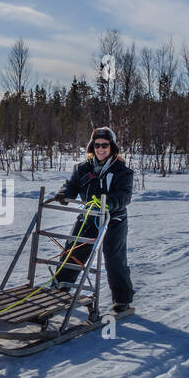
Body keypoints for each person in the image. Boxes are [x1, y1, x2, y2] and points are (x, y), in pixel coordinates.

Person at [50, 126, 134, 314]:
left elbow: (124, 196)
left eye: (105, 145)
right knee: (74, 249)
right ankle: (62, 286)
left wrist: (108, 203)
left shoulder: (122, 171)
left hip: (114, 219)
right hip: (89, 216)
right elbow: (71, 185)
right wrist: (64, 194)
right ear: (92, 147)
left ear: (112, 147)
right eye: (97, 145)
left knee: (114, 258)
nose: (100, 149)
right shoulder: (83, 168)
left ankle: (122, 299)